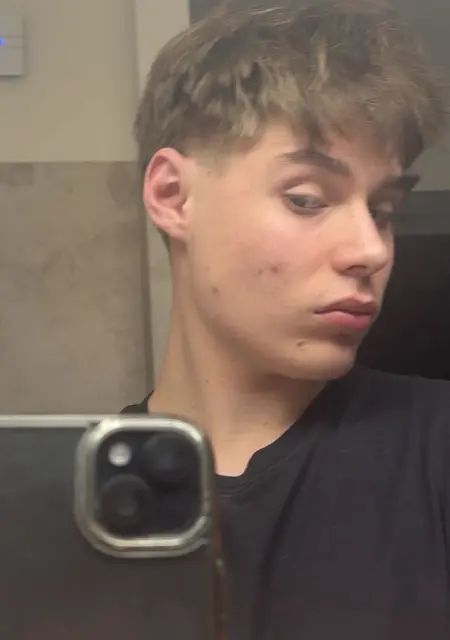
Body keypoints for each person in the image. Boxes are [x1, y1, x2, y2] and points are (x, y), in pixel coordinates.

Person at [123, 1, 450, 638]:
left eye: (383, 211)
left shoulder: (435, 453)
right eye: (307, 199)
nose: (372, 250)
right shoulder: (69, 506)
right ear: (173, 197)